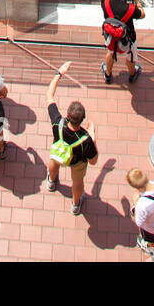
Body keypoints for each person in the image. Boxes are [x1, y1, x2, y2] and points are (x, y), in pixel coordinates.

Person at [44, 60, 98, 217]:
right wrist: (93, 136)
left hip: (59, 152)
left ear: (67, 115)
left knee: (54, 162)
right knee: (78, 181)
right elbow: (93, 161)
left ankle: (51, 182)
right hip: (76, 162)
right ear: (82, 119)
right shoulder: (85, 139)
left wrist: (59, 73)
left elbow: (49, 95)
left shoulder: (58, 122)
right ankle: (75, 204)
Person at [100, 0, 144, 84]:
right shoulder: (131, 9)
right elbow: (142, 14)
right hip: (128, 39)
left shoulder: (105, 0)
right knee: (131, 57)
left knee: (110, 52)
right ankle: (132, 75)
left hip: (111, 36)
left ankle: (108, 75)